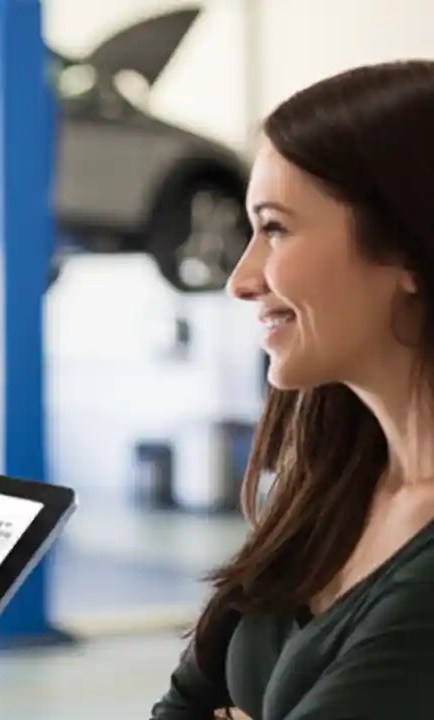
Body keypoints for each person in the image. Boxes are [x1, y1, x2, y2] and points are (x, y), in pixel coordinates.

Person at [152, 59, 434, 719]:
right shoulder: (331, 485)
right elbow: (181, 706)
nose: (241, 280)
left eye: (275, 229)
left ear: (406, 248)